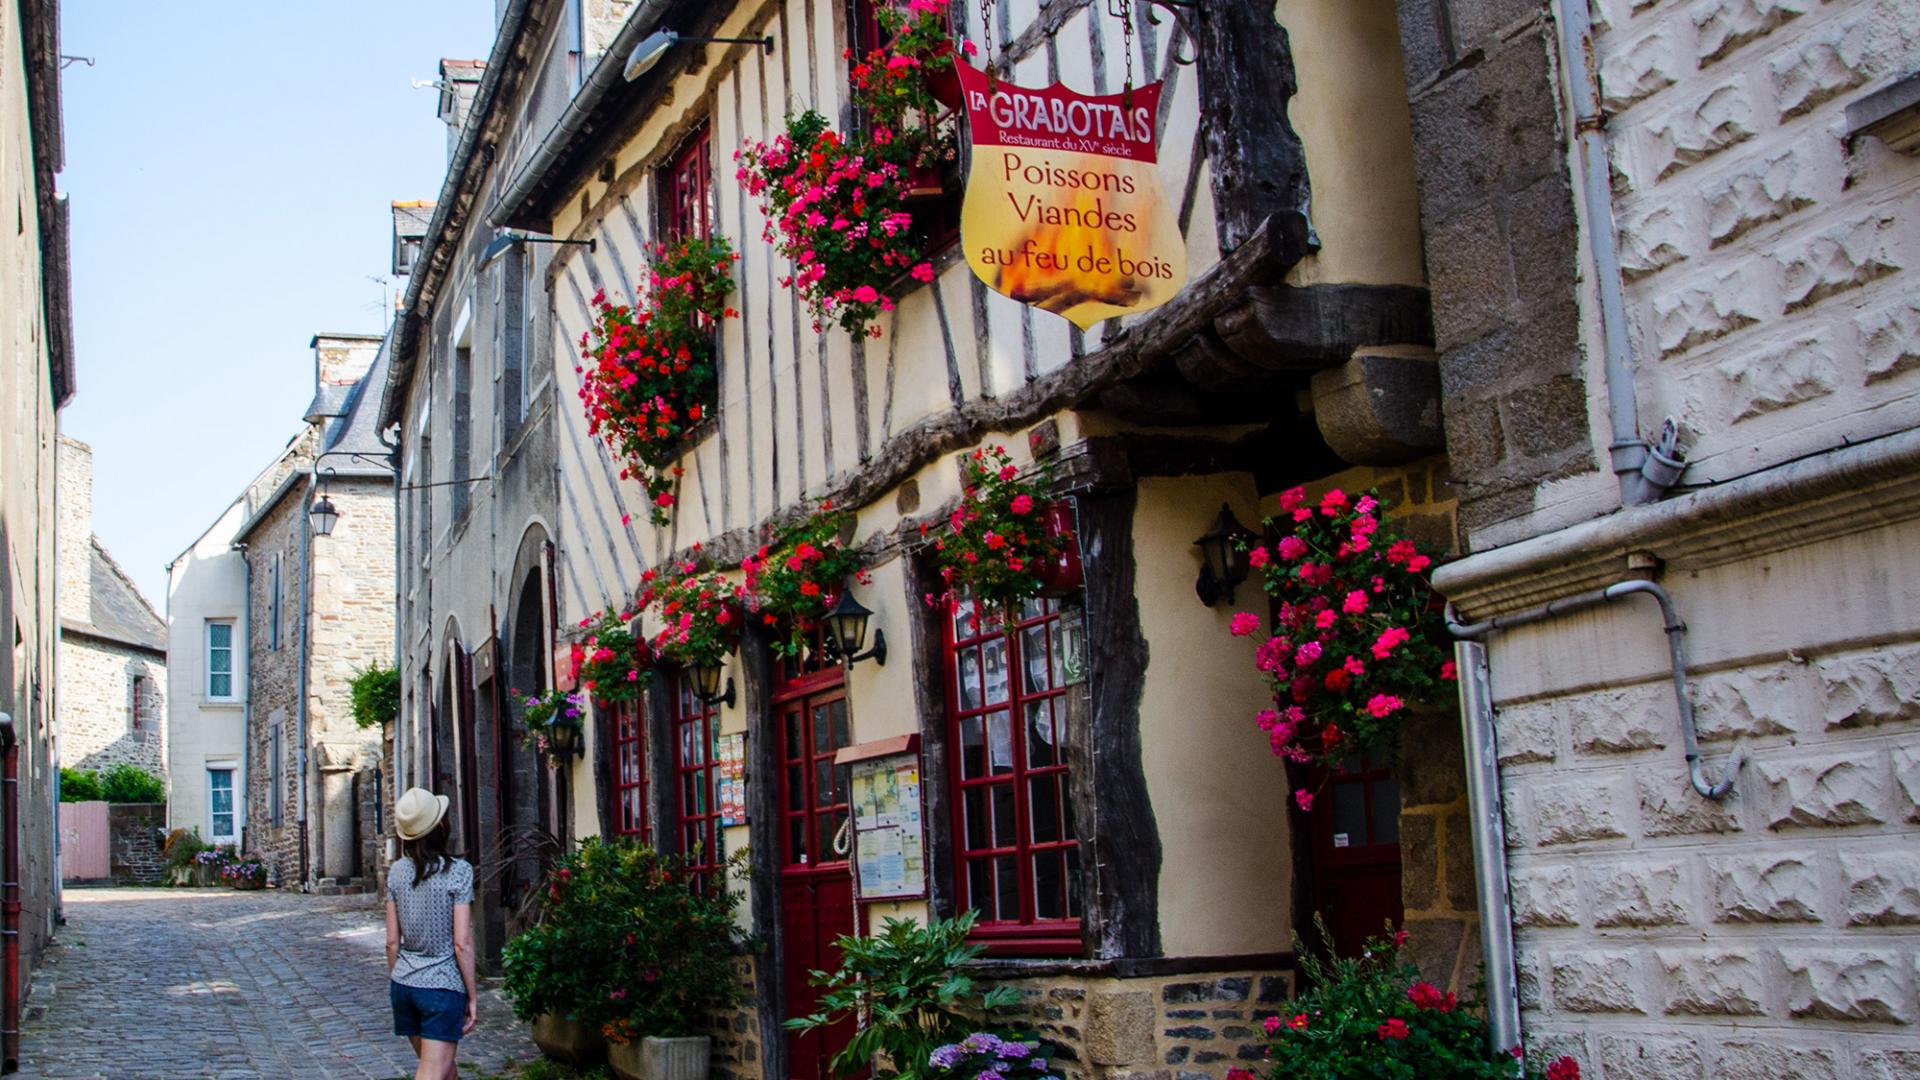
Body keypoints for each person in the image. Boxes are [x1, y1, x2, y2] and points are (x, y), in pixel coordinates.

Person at [385, 787, 478, 1079]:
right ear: (440, 826)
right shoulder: (459, 872)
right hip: (441, 987)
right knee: (433, 1073)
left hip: (404, 986)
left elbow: (391, 942)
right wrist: (472, 997)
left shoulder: (397, 872)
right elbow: (462, 943)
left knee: (445, 1072)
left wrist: (399, 977)